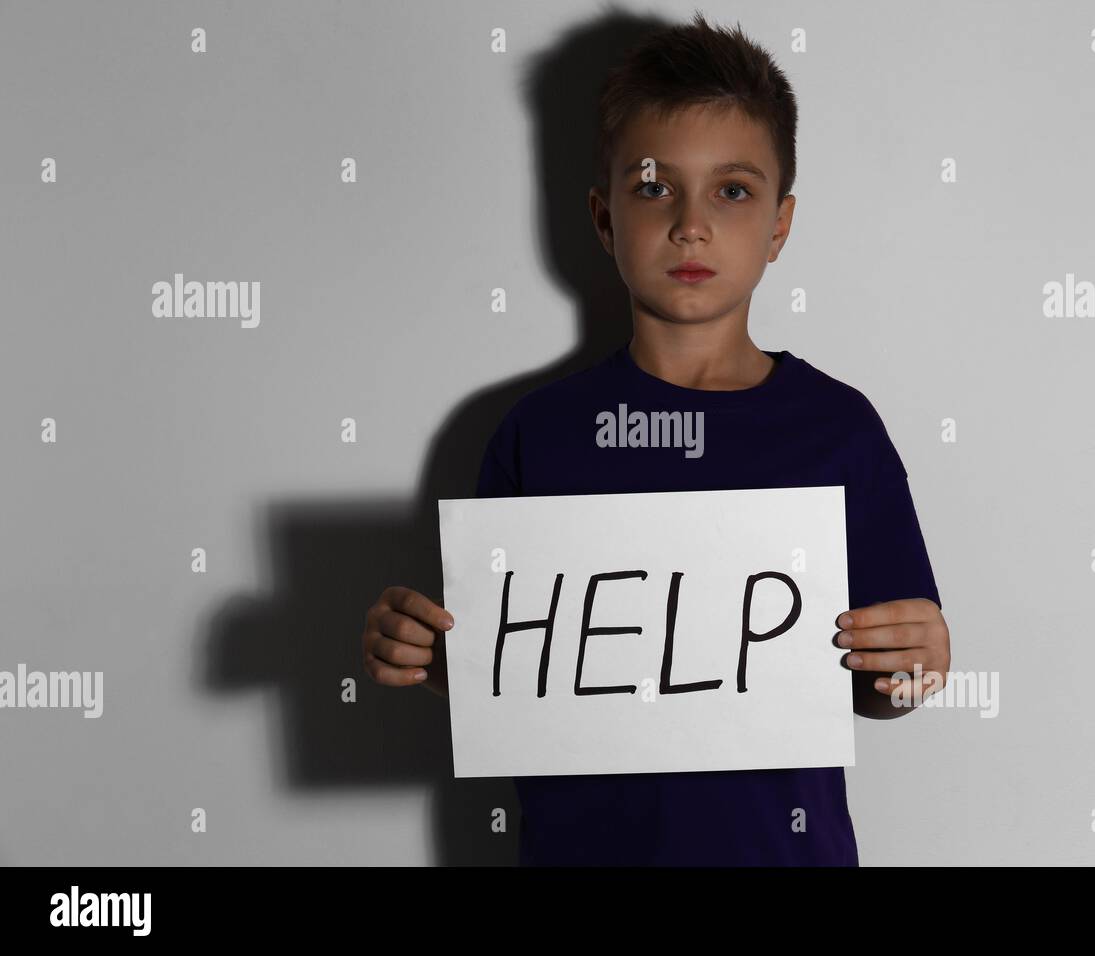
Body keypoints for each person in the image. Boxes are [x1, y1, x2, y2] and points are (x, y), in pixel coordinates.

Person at [362, 11, 951, 866]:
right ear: (604, 219)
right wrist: (424, 653)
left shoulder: (839, 430)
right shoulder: (536, 436)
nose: (690, 223)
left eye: (733, 190)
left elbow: (885, 686)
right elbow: (510, 675)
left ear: (780, 225)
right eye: (652, 186)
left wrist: (920, 666)